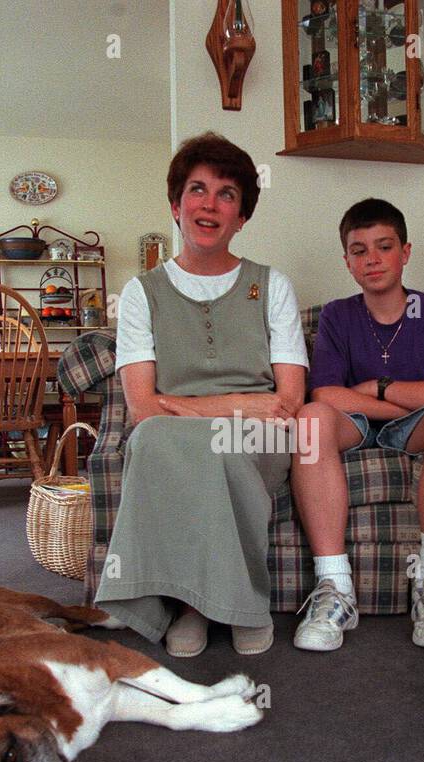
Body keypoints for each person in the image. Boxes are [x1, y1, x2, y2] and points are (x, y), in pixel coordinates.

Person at [93, 133, 309, 657]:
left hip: (258, 437)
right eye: (197, 189)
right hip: (177, 433)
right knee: (154, 440)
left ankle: (189, 607)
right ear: (176, 206)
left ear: (241, 217)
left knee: (217, 444)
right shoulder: (142, 293)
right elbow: (143, 407)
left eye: (227, 194)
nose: (209, 204)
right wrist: (237, 404)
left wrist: (185, 407)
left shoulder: (271, 285)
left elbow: (289, 401)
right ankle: (226, 607)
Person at [289, 199, 424, 651]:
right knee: (311, 420)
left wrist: (379, 387)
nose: (372, 259)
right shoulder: (337, 313)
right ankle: (335, 588)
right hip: (356, 424)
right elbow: (325, 395)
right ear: (347, 260)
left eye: (384, 246)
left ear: (405, 252)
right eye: (359, 250)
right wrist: (409, 397)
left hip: (422, 425)